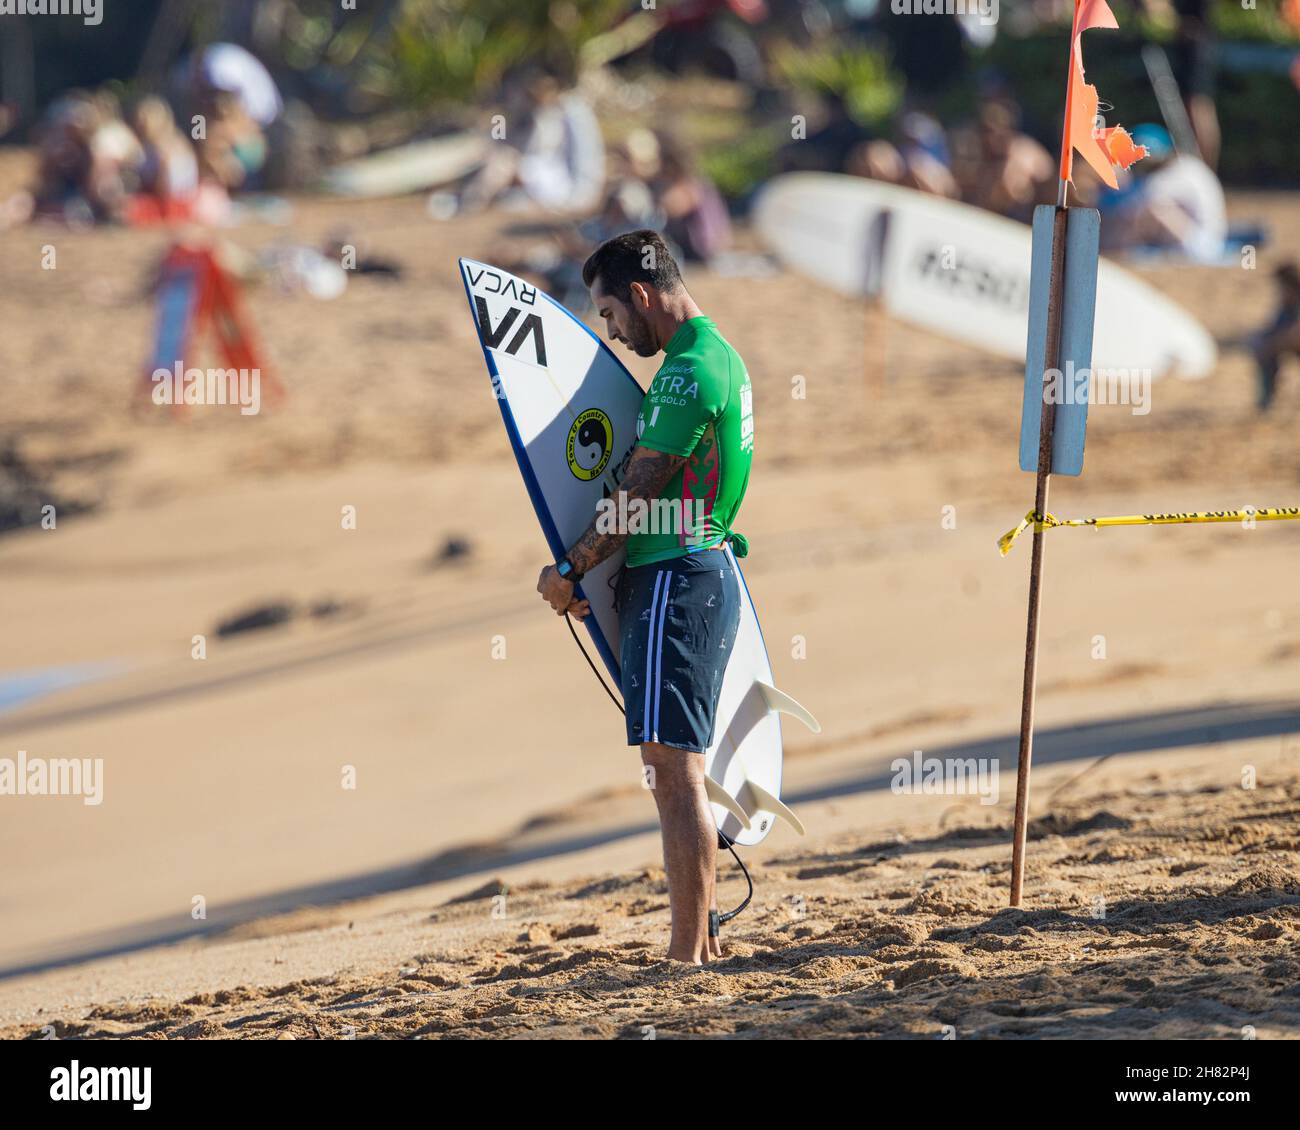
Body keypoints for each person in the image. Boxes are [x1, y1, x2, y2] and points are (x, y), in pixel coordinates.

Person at [535, 231, 754, 964]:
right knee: (678, 767)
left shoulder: (689, 373)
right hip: (695, 570)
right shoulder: (720, 356)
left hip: (676, 579)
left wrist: (569, 569)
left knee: (673, 771)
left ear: (640, 294)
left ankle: (686, 954)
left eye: (608, 314)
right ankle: (705, 941)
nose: (611, 332)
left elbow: (638, 492)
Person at [1099, 123, 1226, 262]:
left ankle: (1115, 249)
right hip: (1206, 239)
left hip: (1202, 247)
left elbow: (1134, 202)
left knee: (1152, 210)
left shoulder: (1179, 173)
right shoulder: (1184, 166)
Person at [1251, 261, 1300, 412]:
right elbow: (1273, 329)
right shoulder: (1286, 306)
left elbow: (1295, 334)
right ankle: (1266, 402)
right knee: (1263, 349)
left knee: (1266, 349)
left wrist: (1271, 345)